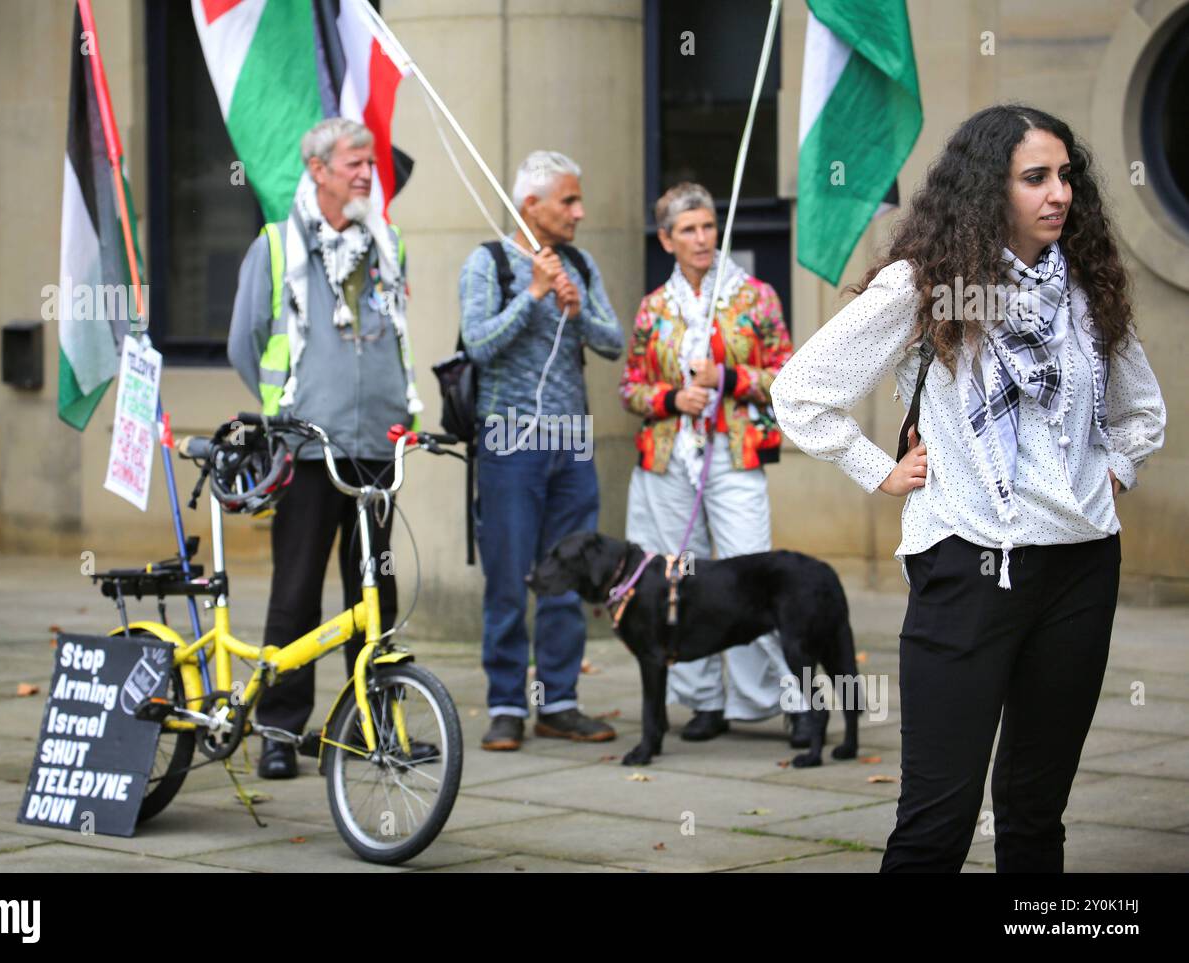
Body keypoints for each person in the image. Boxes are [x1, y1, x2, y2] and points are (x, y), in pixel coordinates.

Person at [770, 104, 1166, 872]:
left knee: (1034, 818)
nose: (1059, 194)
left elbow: (1140, 409)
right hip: (969, 566)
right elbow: (801, 390)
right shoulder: (925, 285)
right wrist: (876, 469)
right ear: (989, 188)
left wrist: (1114, 467)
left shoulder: (1084, 289)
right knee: (935, 825)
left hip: (1082, 567)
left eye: (1065, 176)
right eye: (1035, 178)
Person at [228, 117, 422, 779]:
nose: (366, 174)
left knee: (376, 592)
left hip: (377, 447)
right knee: (297, 591)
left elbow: (397, 335)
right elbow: (244, 338)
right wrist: (294, 408)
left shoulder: (387, 241)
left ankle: (377, 726)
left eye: (370, 164)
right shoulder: (278, 246)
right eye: (353, 164)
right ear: (317, 169)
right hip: (308, 450)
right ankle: (278, 730)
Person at [619, 182, 812, 745]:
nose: (702, 238)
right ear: (666, 239)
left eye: (708, 226)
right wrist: (670, 399)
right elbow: (630, 386)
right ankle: (703, 700)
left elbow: (790, 376)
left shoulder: (755, 296)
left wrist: (727, 378)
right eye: (688, 230)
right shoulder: (654, 308)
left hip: (733, 454)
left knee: (750, 573)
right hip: (666, 461)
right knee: (681, 578)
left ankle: (789, 702)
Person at [459, 150, 624, 750]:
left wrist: (575, 313)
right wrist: (530, 294)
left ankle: (559, 701)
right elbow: (478, 345)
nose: (579, 212)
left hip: (571, 442)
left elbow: (614, 342)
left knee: (570, 575)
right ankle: (507, 703)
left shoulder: (579, 263)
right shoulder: (487, 264)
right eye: (568, 201)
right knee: (509, 577)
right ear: (531, 206)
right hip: (508, 441)